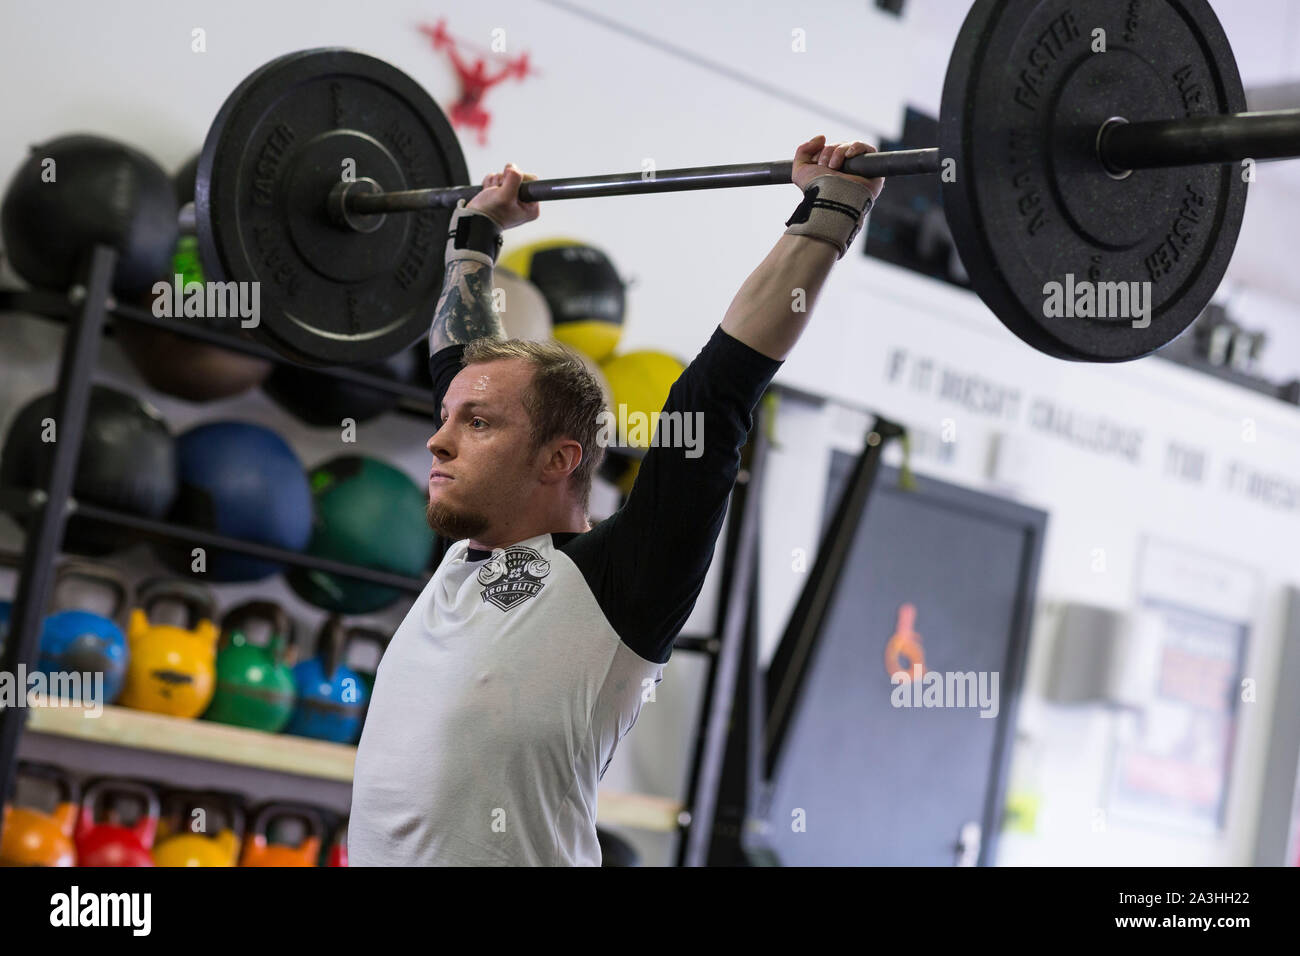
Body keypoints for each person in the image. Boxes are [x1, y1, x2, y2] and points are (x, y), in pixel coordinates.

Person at [348, 135, 884, 866]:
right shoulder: (470, 563)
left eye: (475, 426)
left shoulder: (617, 586)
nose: (439, 442)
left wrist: (829, 209)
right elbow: (462, 360)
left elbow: (717, 394)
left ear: (557, 460)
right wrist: (476, 234)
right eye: (445, 419)